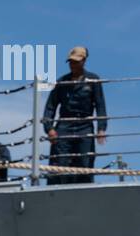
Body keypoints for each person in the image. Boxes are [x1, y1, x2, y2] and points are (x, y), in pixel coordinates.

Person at [43, 46, 107, 186]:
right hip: (64, 125)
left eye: (76, 62)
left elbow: (100, 105)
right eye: (71, 62)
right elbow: (50, 107)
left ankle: (84, 192)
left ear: (83, 61)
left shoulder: (93, 80)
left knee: (85, 163)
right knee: (60, 163)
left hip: (84, 125)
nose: (73, 65)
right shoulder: (61, 82)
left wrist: (101, 128)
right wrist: (49, 128)